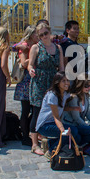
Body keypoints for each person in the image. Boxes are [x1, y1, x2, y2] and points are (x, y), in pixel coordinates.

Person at [36, 72, 90, 154]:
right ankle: (52, 150)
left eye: (67, 81)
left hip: (55, 123)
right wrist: (63, 130)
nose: (66, 83)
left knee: (76, 135)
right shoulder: (52, 95)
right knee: (73, 131)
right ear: (57, 82)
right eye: (63, 81)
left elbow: (62, 108)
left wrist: (72, 108)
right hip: (45, 125)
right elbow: (56, 116)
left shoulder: (66, 94)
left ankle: (51, 142)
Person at [28, 23, 64, 155]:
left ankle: (45, 139)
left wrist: (63, 81)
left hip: (52, 82)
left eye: (45, 33)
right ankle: (34, 144)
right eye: (41, 35)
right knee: (37, 112)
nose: (44, 36)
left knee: (50, 111)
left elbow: (61, 67)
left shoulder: (58, 48)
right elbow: (30, 64)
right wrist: (31, 69)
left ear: (50, 32)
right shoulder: (36, 47)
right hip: (39, 82)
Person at [13, 25, 38, 146]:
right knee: (26, 110)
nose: (38, 36)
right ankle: (24, 135)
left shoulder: (37, 45)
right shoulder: (25, 46)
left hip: (35, 80)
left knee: (35, 109)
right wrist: (33, 56)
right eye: (36, 34)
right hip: (26, 81)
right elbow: (23, 63)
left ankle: (29, 131)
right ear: (30, 34)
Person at [61, 77, 90, 142]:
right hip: (71, 125)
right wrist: (88, 128)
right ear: (80, 85)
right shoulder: (74, 98)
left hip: (78, 124)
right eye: (86, 86)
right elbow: (76, 118)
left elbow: (88, 113)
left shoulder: (85, 95)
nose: (89, 88)